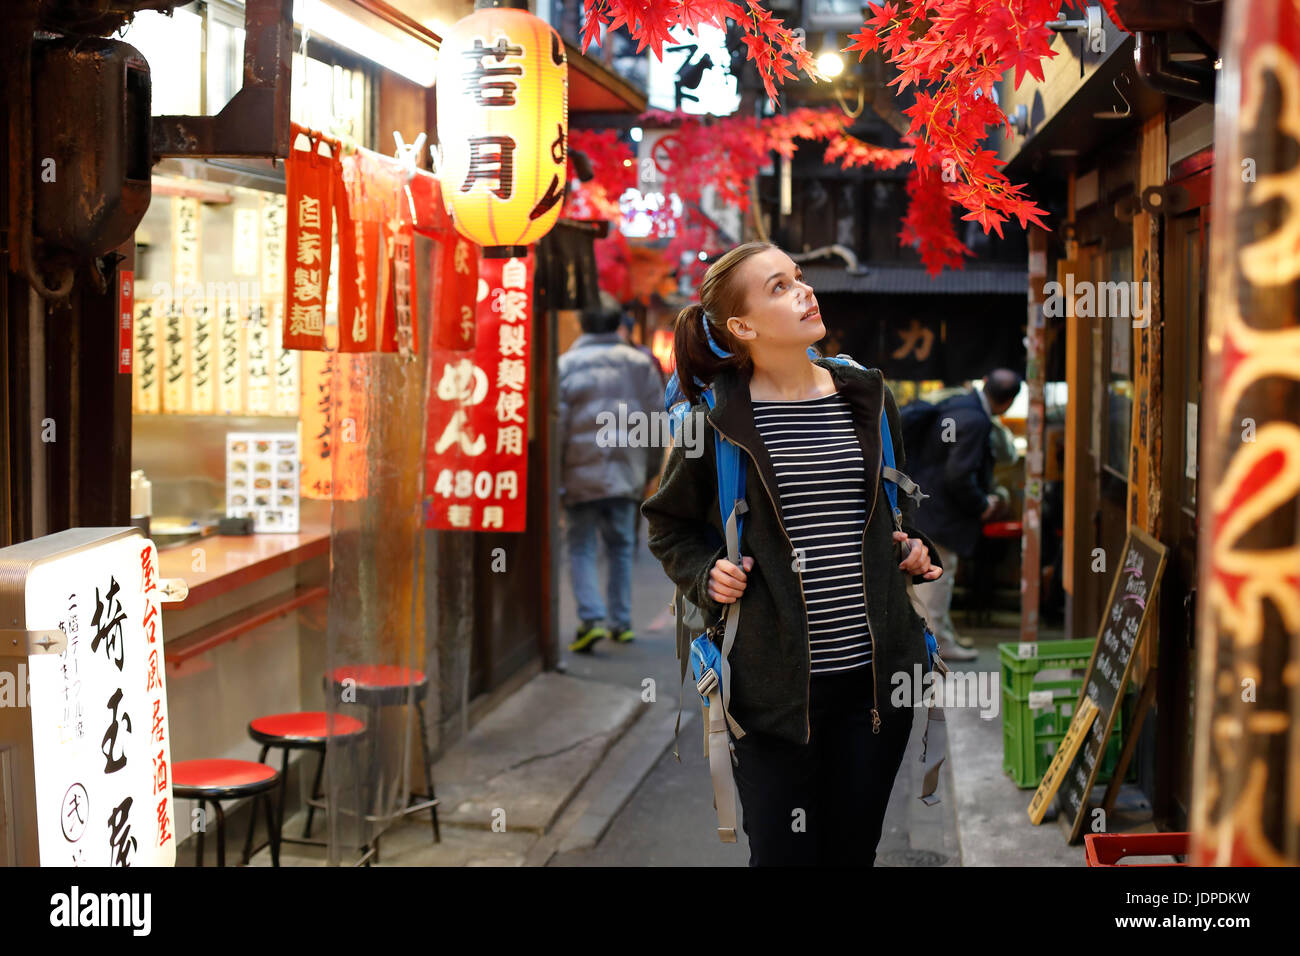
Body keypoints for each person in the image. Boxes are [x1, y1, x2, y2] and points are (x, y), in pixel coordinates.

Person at [641, 241, 943, 866]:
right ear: (742, 327)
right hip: (770, 692)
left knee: (851, 853)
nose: (804, 292)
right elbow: (669, 525)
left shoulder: (868, 395)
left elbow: (893, 509)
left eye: (799, 279)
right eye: (778, 287)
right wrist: (707, 575)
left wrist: (913, 549)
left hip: (877, 686)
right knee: (783, 857)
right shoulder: (714, 417)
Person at [558, 301, 667, 653]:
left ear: (583, 323)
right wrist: (651, 470)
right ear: (619, 324)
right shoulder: (640, 365)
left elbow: (558, 425)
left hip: (579, 472)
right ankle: (620, 623)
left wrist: (557, 472)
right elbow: (655, 421)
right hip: (627, 472)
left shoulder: (566, 365)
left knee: (581, 546)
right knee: (622, 547)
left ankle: (590, 618)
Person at [906, 370, 1022, 662]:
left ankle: (941, 637)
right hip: (940, 509)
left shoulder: (960, 402)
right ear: (1007, 403)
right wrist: (981, 504)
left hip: (923, 497)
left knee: (932, 576)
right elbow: (958, 475)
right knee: (938, 576)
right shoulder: (976, 420)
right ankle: (939, 646)